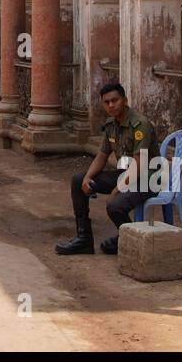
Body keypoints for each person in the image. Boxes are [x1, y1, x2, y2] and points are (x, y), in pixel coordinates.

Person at [56, 82, 159, 256]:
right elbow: (102, 155)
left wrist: (117, 189)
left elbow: (139, 162)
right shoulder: (111, 124)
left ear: (124, 100)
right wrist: (88, 177)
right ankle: (84, 240)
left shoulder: (140, 124)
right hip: (125, 174)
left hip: (147, 179)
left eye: (115, 100)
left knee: (114, 205)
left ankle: (130, 239)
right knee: (78, 180)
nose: (111, 105)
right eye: (107, 102)